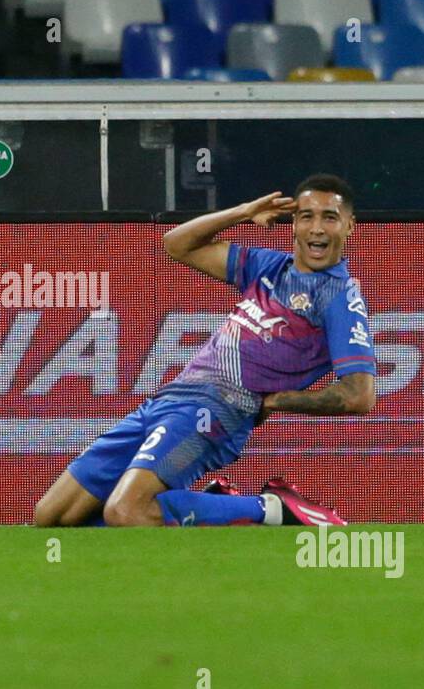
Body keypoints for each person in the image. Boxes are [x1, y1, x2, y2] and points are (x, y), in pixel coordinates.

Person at [33, 173, 376, 527]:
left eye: (329, 217)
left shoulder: (340, 298)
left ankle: (271, 509)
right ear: (293, 224)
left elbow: (359, 395)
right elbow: (176, 244)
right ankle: (210, 509)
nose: (317, 228)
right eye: (307, 216)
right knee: (53, 517)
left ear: (349, 226)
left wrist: (275, 401)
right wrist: (243, 212)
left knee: (127, 511)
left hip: (216, 412)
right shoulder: (268, 266)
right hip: (167, 401)